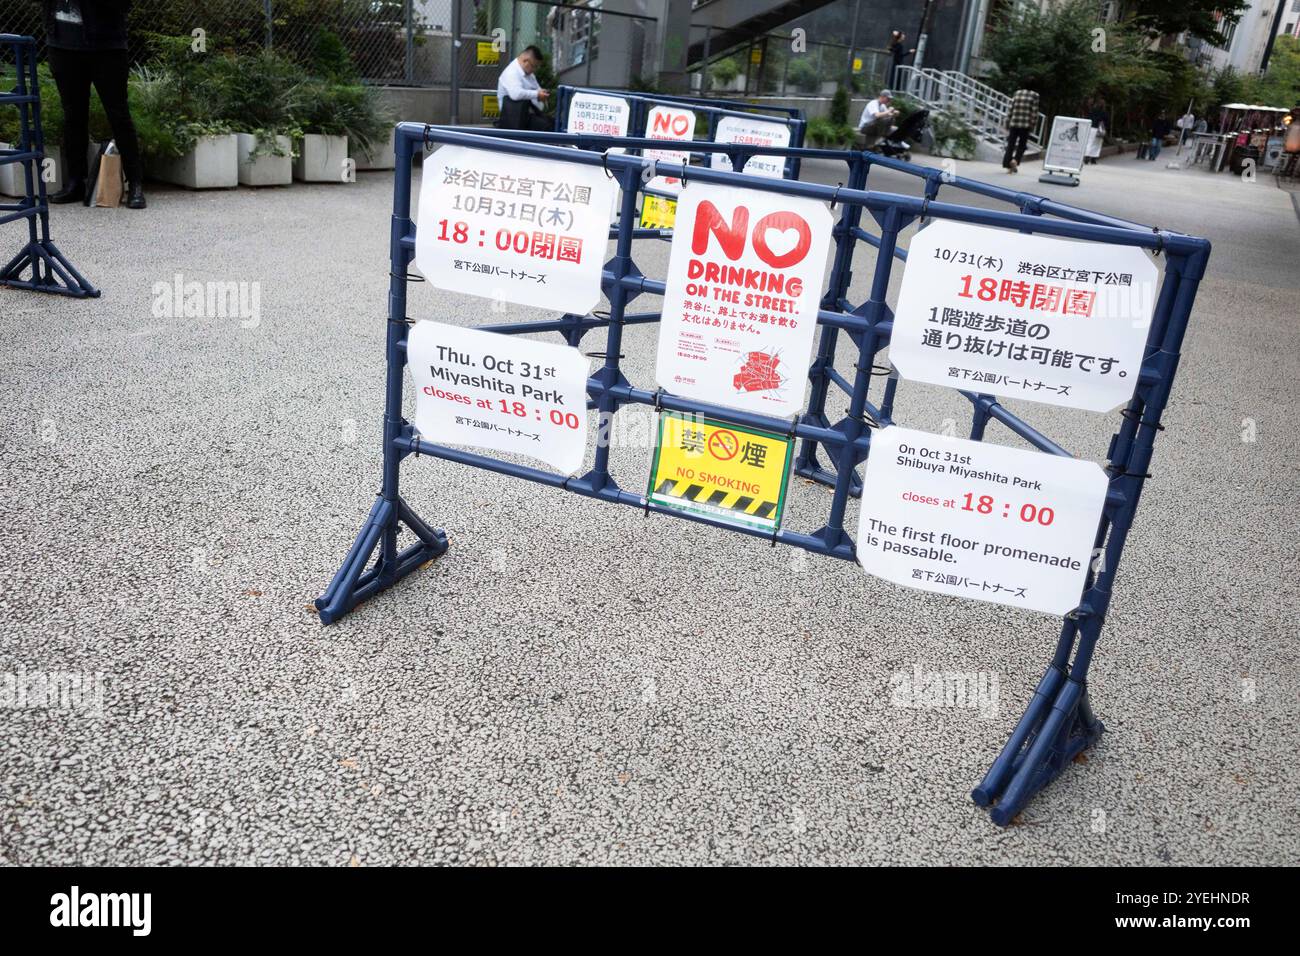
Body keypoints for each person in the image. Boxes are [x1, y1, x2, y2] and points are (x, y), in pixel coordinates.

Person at [41, 0, 145, 208]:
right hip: (62, 45)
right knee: (73, 115)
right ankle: (75, 182)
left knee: (118, 114)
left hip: (106, 47)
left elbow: (124, 6)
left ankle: (135, 184)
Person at [496, 45, 552, 132]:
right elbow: (516, 94)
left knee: (552, 123)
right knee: (546, 127)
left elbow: (537, 90)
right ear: (525, 61)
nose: (535, 70)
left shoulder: (529, 75)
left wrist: (541, 94)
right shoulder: (511, 72)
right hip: (513, 120)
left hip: (526, 116)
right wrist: (537, 94)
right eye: (534, 66)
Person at [1002, 87, 1039, 173]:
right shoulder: (1035, 95)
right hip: (1025, 125)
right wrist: (1033, 124)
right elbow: (1034, 112)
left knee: (1010, 145)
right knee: (1022, 145)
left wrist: (1007, 122)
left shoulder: (1017, 93)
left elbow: (1010, 109)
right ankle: (1015, 160)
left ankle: (1008, 166)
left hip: (1014, 123)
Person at [1085, 100, 1108, 165]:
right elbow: (1106, 121)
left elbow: (1088, 118)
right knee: (1097, 144)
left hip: (1091, 128)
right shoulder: (1104, 113)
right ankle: (1093, 159)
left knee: (1089, 143)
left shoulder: (1092, 111)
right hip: (1099, 130)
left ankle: (1086, 157)